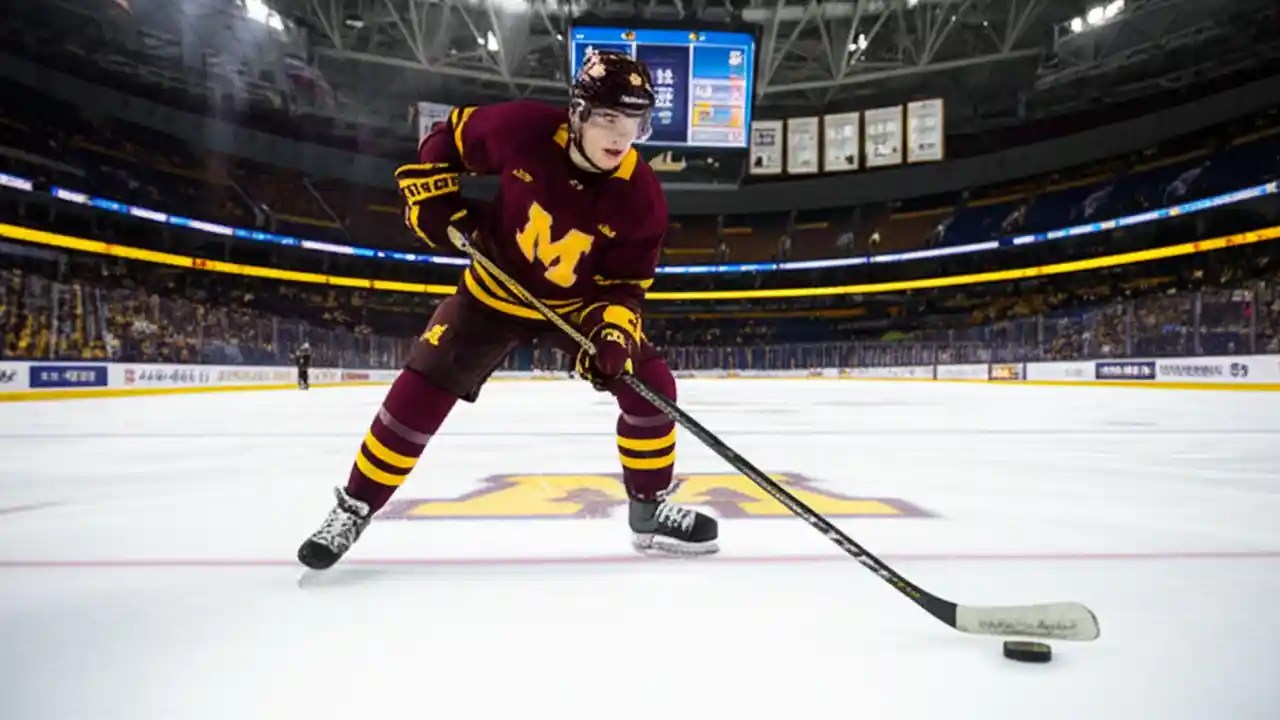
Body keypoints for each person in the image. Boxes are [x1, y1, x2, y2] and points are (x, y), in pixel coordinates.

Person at [296, 50, 718, 570]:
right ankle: (355, 506)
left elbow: (625, 287)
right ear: (579, 112)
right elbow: (444, 138)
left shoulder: (642, 198)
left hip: (575, 305)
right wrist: (435, 198)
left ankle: (649, 510)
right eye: (609, 117)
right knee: (419, 391)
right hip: (493, 289)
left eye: (634, 120)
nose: (621, 135)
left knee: (652, 389)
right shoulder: (522, 129)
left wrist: (610, 337)